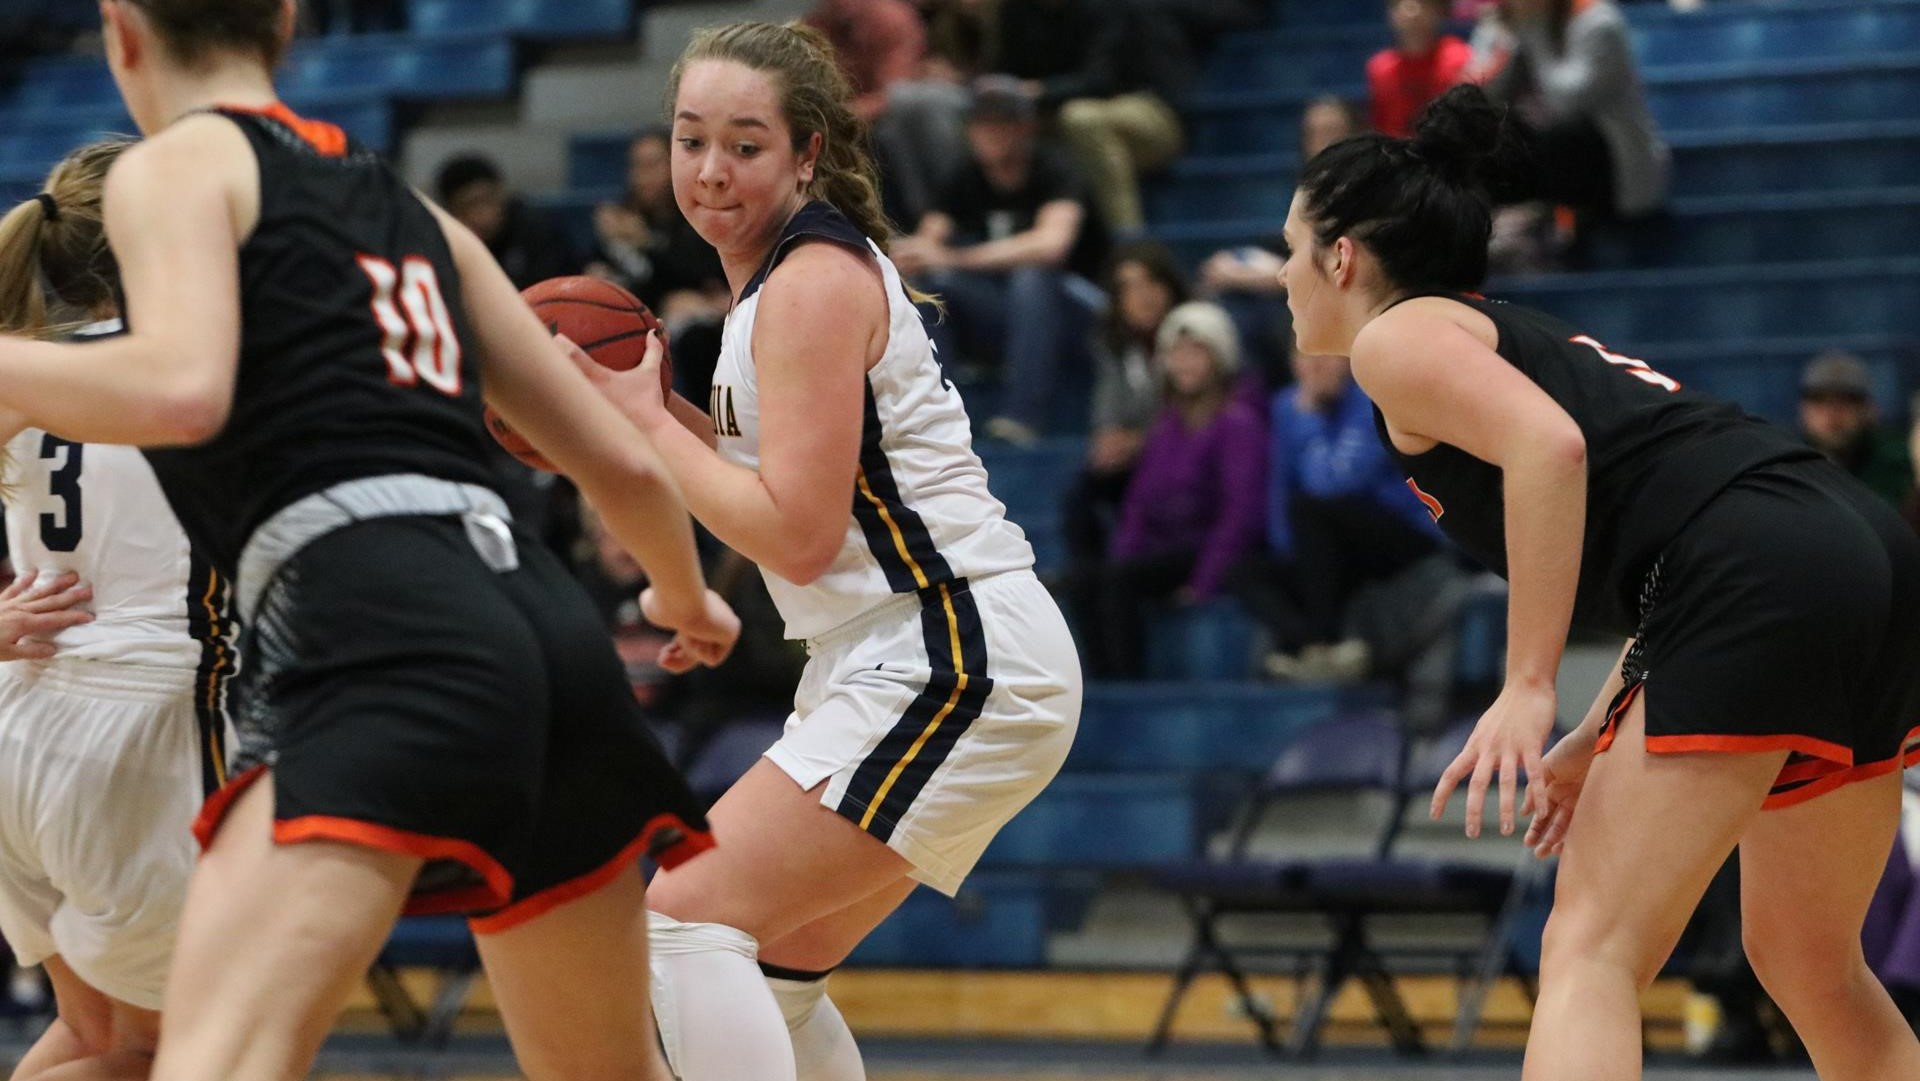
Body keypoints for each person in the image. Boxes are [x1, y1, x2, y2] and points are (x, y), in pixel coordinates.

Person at [0, 4, 743, 1081]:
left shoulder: (175, 167)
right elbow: (619, 461)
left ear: (121, 32)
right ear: (289, 22)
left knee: (214, 1060)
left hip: (377, 634)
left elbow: (182, 390)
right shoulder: (406, 206)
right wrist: (686, 595)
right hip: (540, 624)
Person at [1279, 82, 1920, 1081]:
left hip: (1756, 559)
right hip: (1849, 547)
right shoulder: (1489, 336)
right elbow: (1674, 526)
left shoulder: (1393, 340)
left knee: (1591, 950)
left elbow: (1553, 450)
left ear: (1344, 256)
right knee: (1811, 965)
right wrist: (1601, 724)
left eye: (1289, 248)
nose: (1281, 276)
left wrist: (1530, 685)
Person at [571, 22, 1082, 1081]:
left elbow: (796, 534)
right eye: (690, 138)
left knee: (676, 920)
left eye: (746, 144)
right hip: (920, 648)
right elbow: (770, 479)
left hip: (947, 647)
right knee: (765, 969)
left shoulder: (810, 281)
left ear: (806, 153)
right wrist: (645, 408)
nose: (711, 169)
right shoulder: (779, 283)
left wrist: (652, 426)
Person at [0, 138, 229, 1081]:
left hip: (19, 725)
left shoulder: (24, 368)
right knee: (158, 1052)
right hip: (141, 736)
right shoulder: (194, 369)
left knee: (96, 1043)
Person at [893, 75, 1108, 446]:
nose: (991, 134)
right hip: (1005, 315)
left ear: (1026, 128)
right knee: (929, 287)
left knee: (1032, 276)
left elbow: (1051, 245)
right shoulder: (964, 176)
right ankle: (942, 419)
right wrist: (915, 254)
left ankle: (1022, 416)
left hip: (1080, 313)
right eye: (982, 124)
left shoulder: (1057, 169)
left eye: (1002, 123)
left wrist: (954, 257)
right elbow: (927, 246)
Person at [1072, 300, 1264, 679]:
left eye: (1196, 352)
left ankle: (1128, 690)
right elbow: (1138, 505)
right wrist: (1121, 558)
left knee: (1120, 582)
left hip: (1207, 552)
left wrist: (1203, 583)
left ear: (1219, 356)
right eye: (1177, 352)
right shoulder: (1165, 426)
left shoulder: (1239, 423)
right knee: (1087, 581)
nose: (1185, 363)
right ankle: (1104, 692)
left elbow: (1240, 514)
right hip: (1163, 553)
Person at [1233, 346, 1446, 684]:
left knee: (1312, 509)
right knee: (1242, 572)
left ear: (1348, 361)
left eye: (1325, 357)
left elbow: (1335, 484)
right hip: (1336, 541)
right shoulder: (1286, 406)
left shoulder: (1372, 401)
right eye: (1304, 358)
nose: (1314, 368)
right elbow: (1279, 487)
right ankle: (1312, 646)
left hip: (1403, 534)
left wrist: (1308, 421)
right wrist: (1294, 554)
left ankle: (1325, 638)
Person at [1062, 242, 1187, 580]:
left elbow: (1196, 418)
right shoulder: (1114, 345)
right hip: (1137, 463)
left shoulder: (1193, 335)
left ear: (1170, 286)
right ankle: (1087, 585)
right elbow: (1107, 410)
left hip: (1186, 465)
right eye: (1128, 288)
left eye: (1149, 283)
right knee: (1081, 496)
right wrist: (1108, 439)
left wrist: (1140, 441)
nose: (1141, 296)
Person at [435, 152, 583, 290]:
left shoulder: (536, 228)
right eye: (470, 205)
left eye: (488, 199)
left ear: (502, 194)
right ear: (452, 212)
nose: (483, 213)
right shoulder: (443, 245)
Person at [1796, 349, 1914, 508]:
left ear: (1870, 409)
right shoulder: (1788, 462)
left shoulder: (1897, 460)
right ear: (1803, 409)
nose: (1832, 412)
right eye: (1819, 399)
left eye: (1847, 400)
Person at [1368, 0, 1472, 137]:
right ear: (1392, 14)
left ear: (1438, 12)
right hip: (1397, 152)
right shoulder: (1379, 67)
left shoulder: (1460, 57)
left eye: (1424, 5)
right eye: (1406, 6)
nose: (1415, 13)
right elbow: (1381, 124)